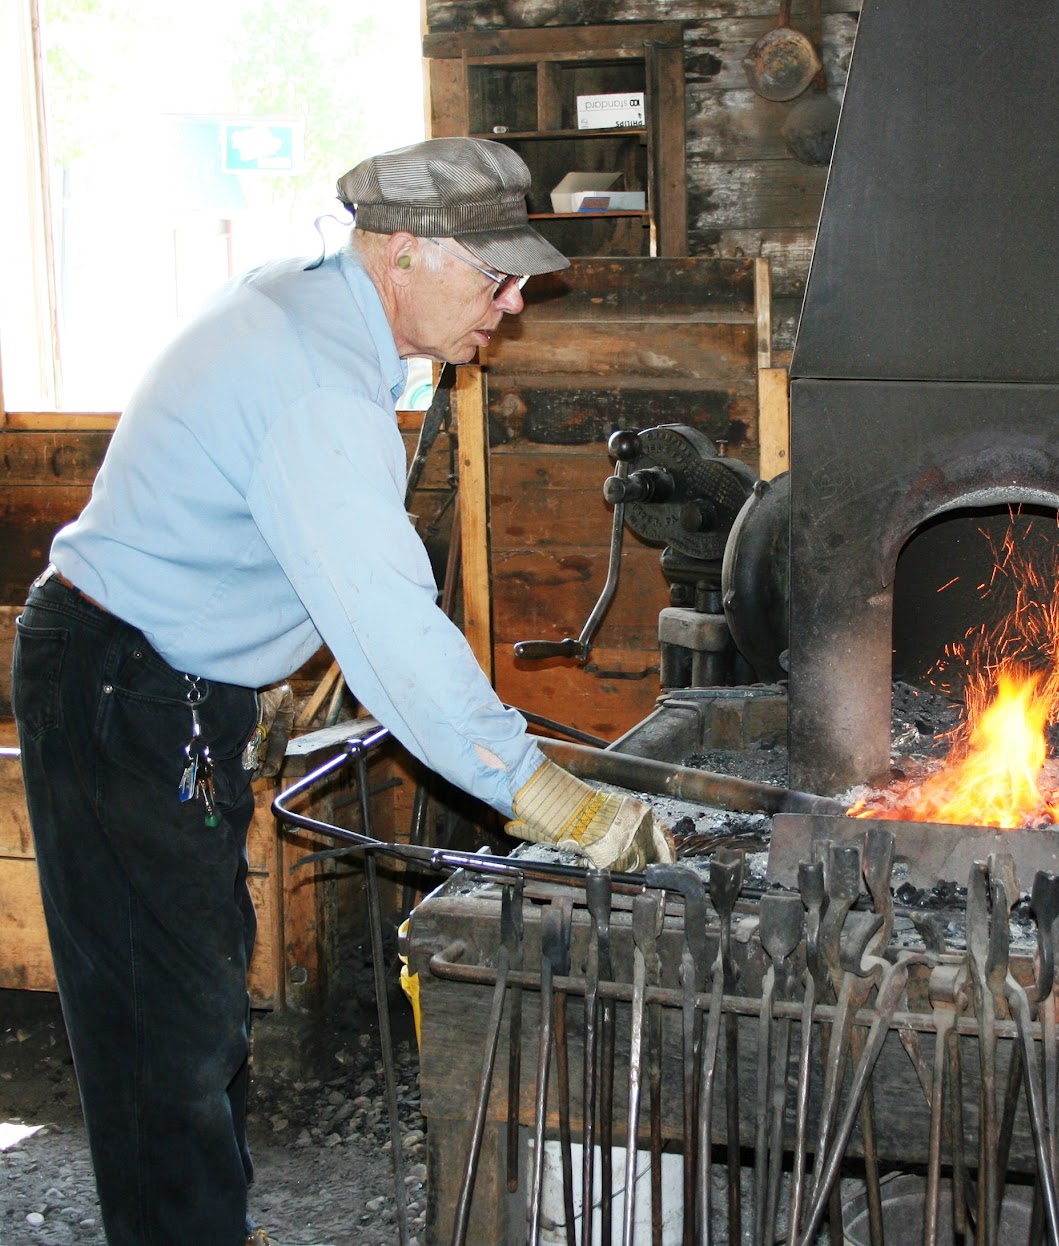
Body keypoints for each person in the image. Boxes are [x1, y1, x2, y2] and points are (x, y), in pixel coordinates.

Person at [8, 137, 674, 1246]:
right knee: (161, 1029)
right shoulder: (318, 383)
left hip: (165, 680)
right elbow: (389, 627)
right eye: (495, 278)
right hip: (123, 684)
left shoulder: (315, 310)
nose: (512, 306)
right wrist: (543, 794)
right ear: (403, 251)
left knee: (198, 996)